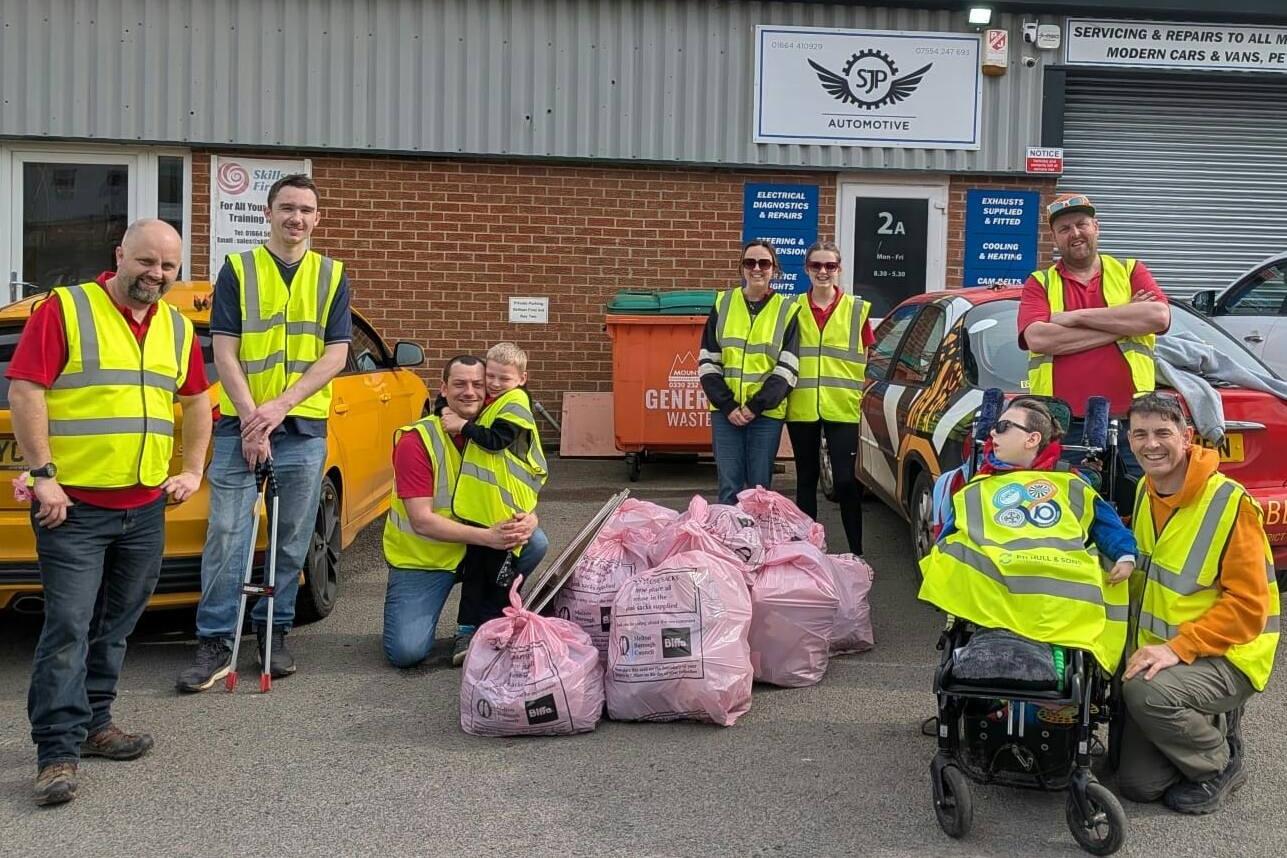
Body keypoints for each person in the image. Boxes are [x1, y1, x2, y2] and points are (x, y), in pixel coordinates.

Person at [6, 220, 212, 806]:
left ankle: (96, 724)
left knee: (116, 626)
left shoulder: (175, 325)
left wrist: (192, 469)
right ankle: (55, 753)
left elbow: (197, 400)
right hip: (72, 509)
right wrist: (44, 475)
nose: (156, 274)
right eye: (146, 261)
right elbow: (25, 390)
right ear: (120, 254)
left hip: (144, 507)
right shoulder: (67, 309)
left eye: (168, 266)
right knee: (68, 628)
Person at [178, 174, 351, 692]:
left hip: (301, 426)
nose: (296, 218)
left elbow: (336, 354)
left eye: (306, 210)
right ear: (268, 213)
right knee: (227, 535)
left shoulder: (331, 275)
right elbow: (224, 351)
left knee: (291, 538)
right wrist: (254, 418)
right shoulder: (239, 269)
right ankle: (216, 640)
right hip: (241, 426)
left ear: (317, 218)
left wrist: (279, 406)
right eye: (287, 208)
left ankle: (273, 630)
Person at [1116, 393, 1278, 815]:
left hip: (1228, 654)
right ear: (1129, 440)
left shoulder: (1230, 504)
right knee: (1137, 784)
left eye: (1162, 433)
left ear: (1187, 437)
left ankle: (1220, 761)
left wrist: (1176, 649)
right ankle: (1203, 720)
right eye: (1140, 434)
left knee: (1144, 693)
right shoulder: (1145, 489)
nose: (1151, 444)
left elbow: (1248, 608)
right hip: (1169, 654)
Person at [918, 398, 1135, 676]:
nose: (992, 433)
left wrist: (1125, 555)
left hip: (1050, 591)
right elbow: (951, 533)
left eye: (1003, 427)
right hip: (998, 590)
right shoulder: (978, 486)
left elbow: (1106, 524)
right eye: (994, 427)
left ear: (1032, 439)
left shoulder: (1071, 483)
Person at [382, 355, 541, 668]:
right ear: (443, 388)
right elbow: (421, 521)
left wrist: (531, 517)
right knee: (407, 652)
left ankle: (487, 622)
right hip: (426, 558)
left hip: (475, 551)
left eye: (477, 385)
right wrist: (489, 537)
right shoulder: (417, 440)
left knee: (535, 541)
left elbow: (520, 485)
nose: (469, 392)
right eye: (459, 384)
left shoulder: (491, 433)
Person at [445, 342, 549, 664]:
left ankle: (488, 627)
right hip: (487, 508)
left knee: (495, 575)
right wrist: (445, 410)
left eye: (504, 378)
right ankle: (471, 629)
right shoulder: (495, 401)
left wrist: (462, 426)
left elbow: (495, 442)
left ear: (521, 379)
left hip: (504, 510)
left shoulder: (515, 404)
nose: (494, 383)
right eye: (490, 376)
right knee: (479, 573)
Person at [784, 240, 873, 554]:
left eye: (830, 266)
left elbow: (865, 355)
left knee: (846, 482)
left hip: (842, 406)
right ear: (806, 269)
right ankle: (808, 554)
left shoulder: (857, 310)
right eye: (816, 265)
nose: (823, 271)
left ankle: (856, 553)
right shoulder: (791, 308)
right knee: (806, 481)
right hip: (802, 405)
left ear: (839, 269)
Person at [698, 240, 801, 505]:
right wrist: (728, 405)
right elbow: (708, 362)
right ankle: (730, 533)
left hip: (765, 415)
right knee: (728, 489)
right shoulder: (723, 303)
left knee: (759, 491)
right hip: (726, 413)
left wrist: (755, 406)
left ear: (774, 269)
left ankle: (756, 534)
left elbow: (788, 368)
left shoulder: (787, 310)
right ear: (741, 268)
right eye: (749, 262)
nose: (756, 268)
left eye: (764, 263)